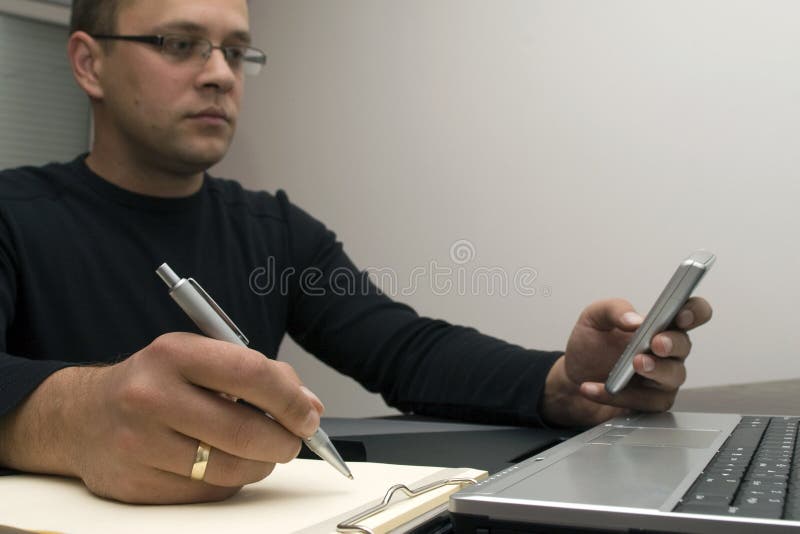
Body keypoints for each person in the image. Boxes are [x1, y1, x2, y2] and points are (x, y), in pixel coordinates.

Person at [0, 0, 711, 505]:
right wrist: (76, 415)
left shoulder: (273, 228)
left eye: (237, 50)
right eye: (180, 44)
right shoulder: (11, 214)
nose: (220, 73)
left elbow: (404, 349)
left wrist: (559, 384)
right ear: (89, 63)